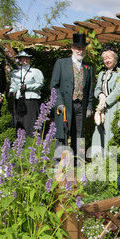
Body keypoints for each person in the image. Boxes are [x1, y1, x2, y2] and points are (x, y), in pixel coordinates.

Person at [50, 33, 94, 164]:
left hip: (81, 105)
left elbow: (90, 89)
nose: (80, 51)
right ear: (72, 49)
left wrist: (90, 106)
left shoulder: (88, 67)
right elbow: (54, 86)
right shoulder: (61, 63)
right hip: (64, 105)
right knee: (63, 133)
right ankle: (58, 162)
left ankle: (77, 161)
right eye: (78, 48)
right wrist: (58, 103)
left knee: (79, 134)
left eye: (82, 49)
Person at [91, 45, 120, 157]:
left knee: (111, 132)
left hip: (113, 108)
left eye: (109, 58)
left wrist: (105, 103)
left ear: (115, 59)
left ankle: (111, 159)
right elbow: (97, 88)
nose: (107, 61)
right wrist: (100, 95)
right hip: (101, 107)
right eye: (105, 59)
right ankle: (98, 158)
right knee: (99, 131)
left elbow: (117, 91)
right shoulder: (101, 74)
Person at [9, 48, 44, 138]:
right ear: (20, 60)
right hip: (20, 99)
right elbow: (13, 85)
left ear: (30, 59)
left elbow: (40, 84)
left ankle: (32, 139)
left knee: (31, 120)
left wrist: (28, 87)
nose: (25, 60)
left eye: (27, 58)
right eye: (23, 58)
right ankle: (20, 139)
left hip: (31, 99)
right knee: (20, 120)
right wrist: (11, 91)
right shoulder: (15, 73)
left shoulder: (36, 71)